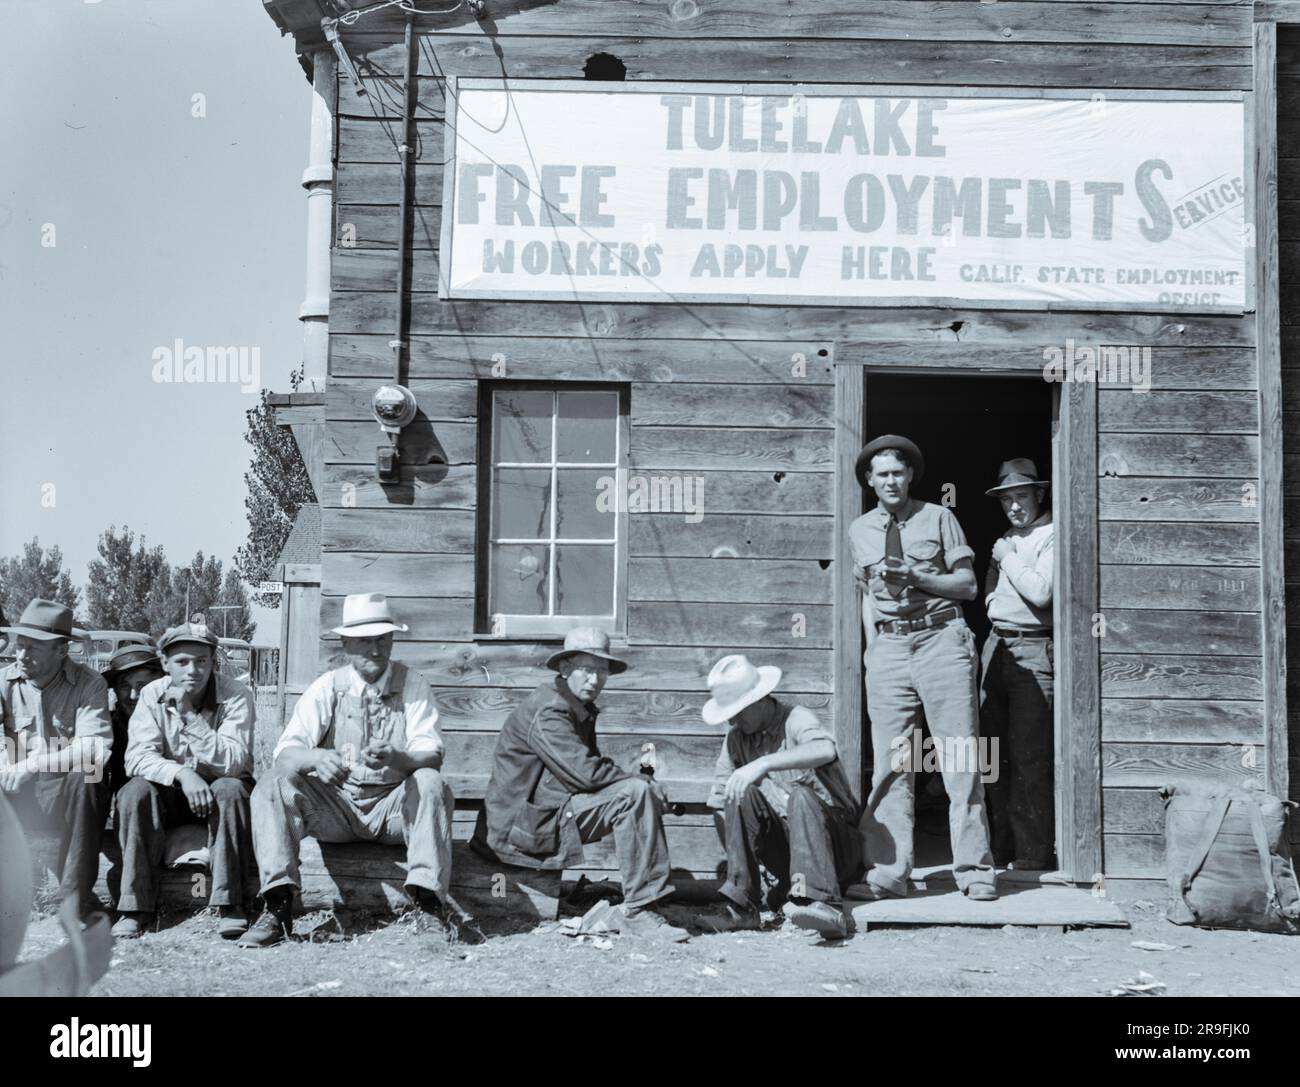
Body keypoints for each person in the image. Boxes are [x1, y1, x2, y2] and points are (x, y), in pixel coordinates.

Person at [241, 593, 459, 948]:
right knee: (272, 784)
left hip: (393, 809)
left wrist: (398, 759)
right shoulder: (328, 686)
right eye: (365, 641)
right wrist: (314, 758)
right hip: (336, 810)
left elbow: (432, 756)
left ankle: (429, 907)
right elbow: (284, 754)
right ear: (345, 643)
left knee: (431, 782)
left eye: (382, 639)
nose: (376, 650)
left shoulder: (413, 685)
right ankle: (278, 906)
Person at [847, 436, 998, 902]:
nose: (891, 481)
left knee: (959, 756)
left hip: (941, 639)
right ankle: (889, 872)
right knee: (892, 763)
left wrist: (918, 578)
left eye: (898, 472)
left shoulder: (939, 517)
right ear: (870, 482)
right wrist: (874, 649)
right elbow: (867, 597)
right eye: (882, 475)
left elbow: (968, 586)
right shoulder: (860, 530)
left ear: (910, 475)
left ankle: (974, 869)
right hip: (890, 649)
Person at [474, 627, 688, 942]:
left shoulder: (573, 707)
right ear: (564, 668)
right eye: (587, 669)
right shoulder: (550, 709)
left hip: (540, 818)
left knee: (637, 791)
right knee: (635, 794)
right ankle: (640, 913)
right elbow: (585, 774)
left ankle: (646, 902)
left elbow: (588, 778)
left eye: (602, 671)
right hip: (517, 831)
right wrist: (640, 781)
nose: (595, 679)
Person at [113, 623, 256, 939]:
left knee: (231, 789)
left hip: (221, 795)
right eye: (182, 662)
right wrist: (182, 773)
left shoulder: (235, 695)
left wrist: (191, 717)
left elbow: (232, 764)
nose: (193, 670)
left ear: (212, 661)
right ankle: (134, 907)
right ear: (164, 664)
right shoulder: (152, 694)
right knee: (134, 791)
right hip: (174, 795)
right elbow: (135, 758)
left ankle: (230, 902)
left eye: (201, 661)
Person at [704, 654, 862, 940]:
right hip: (788, 854)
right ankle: (744, 906)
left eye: (738, 711)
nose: (732, 721)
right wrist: (746, 863)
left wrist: (763, 763)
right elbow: (719, 804)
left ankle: (825, 904)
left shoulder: (796, 718)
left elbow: (825, 750)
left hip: (836, 849)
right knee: (737, 793)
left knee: (801, 796)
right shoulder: (736, 739)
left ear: (760, 699)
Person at [0, 599, 112, 918]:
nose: (21, 655)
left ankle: (74, 899)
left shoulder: (90, 684)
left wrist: (32, 763)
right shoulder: (2, 682)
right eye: (19, 645)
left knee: (89, 774)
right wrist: (7, 765)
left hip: (64, 793)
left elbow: (95, 748)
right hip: (16, 792)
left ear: (62, 651)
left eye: (33, 648)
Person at [980, 458, 1055, 871]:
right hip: (997, 645)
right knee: (992, 751)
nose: (1013, 506)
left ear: (1039, 495)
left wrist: (1007, 558)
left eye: (1021, 496)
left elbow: (1042, 593)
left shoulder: (1051, 534)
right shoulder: (1008, 538)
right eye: (1007, 499)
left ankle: (1032, 855)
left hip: (1033, 647)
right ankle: (1001, 848)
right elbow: (989, 585)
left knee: (1029, 753)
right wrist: (994, 605)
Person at [103, 644, 165, 797]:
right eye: (125, 686)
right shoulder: (108, 727)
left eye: (142, 685)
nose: (133, 695)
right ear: (115, 690)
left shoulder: (174, 721)